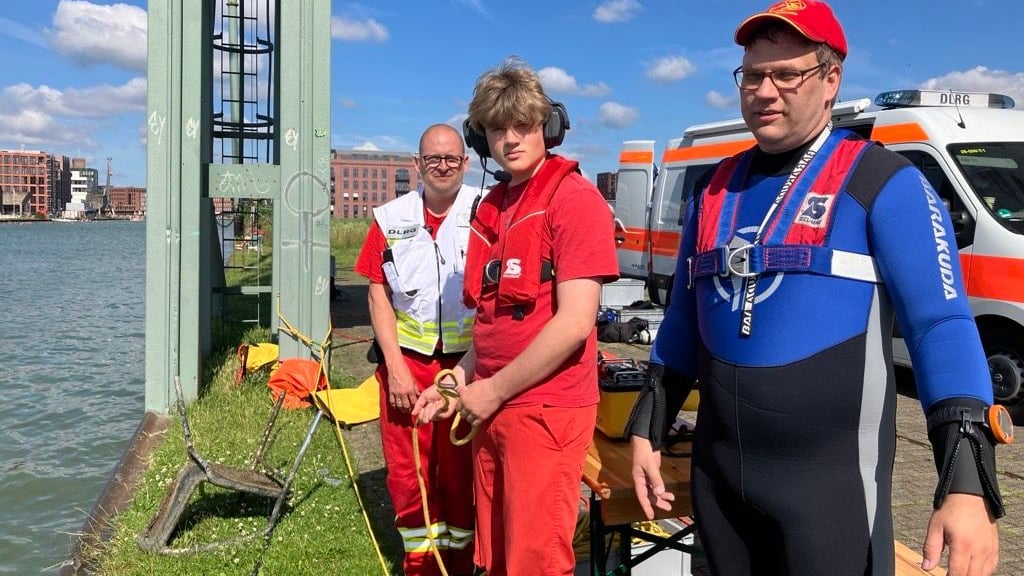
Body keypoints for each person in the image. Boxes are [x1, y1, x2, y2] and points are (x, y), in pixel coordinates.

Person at [625, 2, 1005, 575]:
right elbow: (682, 319)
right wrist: (647, 430)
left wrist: (967, 487)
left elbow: (942, 328)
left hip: (829, 498)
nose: (765, 91)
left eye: (786, 74)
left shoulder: (884, 183)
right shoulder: (713, 191)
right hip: (719, 485)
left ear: (830, 80)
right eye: (753, 75)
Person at [413, 56, 618, 576]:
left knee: (535, 558)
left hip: (544, 409)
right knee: (497, 551)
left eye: (523, 125)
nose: (511, 138)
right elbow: (492, 323)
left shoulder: (574, 201)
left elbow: (574, 324)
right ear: (480, 139)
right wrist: (458, 381)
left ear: (548, 127)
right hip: (490, 402)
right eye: (497, 128)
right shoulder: (493, 206)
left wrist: (494, 389)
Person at [353, 123, 479, 576]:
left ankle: (461, 564)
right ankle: (421, 565)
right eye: (432, 159)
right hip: (407, 365)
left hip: (470, 366)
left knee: (463, 471)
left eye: (451, 159)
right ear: (417, 165)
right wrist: (395, 367)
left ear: (466, 163)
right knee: (410, 473)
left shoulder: (488, 213)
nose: (442, 166)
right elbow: (376, 291)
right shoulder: (389, 218)